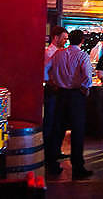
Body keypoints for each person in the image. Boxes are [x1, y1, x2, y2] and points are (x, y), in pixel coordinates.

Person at [45, 29, 93, 179]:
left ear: (69, 39)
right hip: (76, 96)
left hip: (60, 94)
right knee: (77, 132)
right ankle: (78, 167)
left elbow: (46, 69)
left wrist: (52, 82)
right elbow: (87, 79)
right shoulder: (82, 55)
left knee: (57, 129)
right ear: (82, 41)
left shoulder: (58, 54)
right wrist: (84, 90)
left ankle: (52, 164)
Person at [43, 26, 69, 167]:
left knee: (58, 123)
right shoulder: (49, 53)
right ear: (55, 37)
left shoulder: (59, 52)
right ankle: (49, 157)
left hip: (58, 90)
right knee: (51, 123)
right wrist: (52, 83)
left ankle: (55, 151)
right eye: (64, 38)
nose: (65, 41)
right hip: (52, 91)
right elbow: (44, 73)